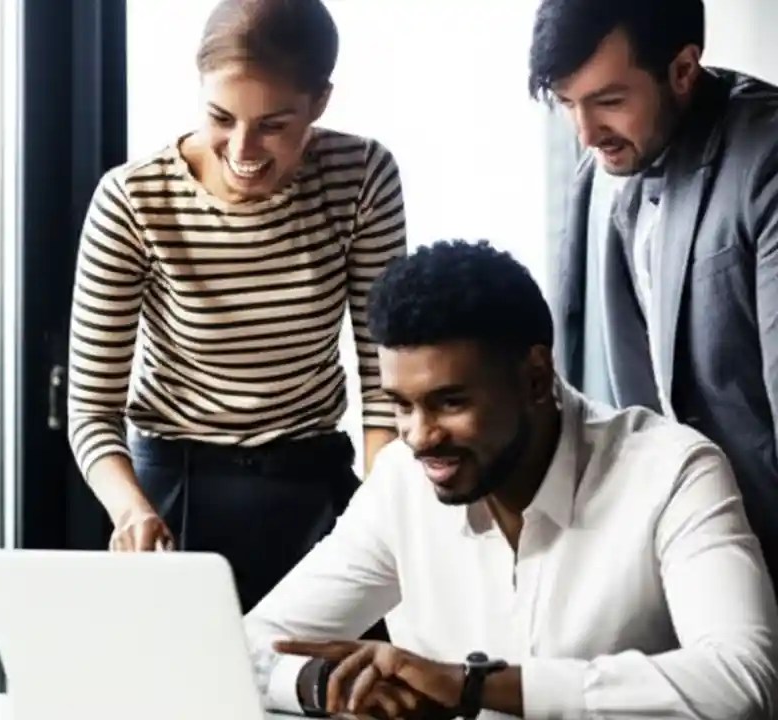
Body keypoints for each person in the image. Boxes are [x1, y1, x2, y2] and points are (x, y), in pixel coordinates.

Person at [244, 240, 778, 719]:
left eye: (450, 402)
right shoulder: (399, 485)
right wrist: (327, 684)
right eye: (401, 406)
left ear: (535, 378)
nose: (420, 436)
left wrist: (473, 687)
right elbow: (246, 646)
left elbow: (742, 681)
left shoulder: (672, 472)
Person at [67, 0, 406, 613]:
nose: (244, 148)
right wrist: (132, 511)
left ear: (319, 103)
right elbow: (92, 412)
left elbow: (384, 382)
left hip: (316, 486)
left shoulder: (361, 176)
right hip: (174, 493)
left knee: (346, 695)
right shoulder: (133, 199)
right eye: (221, 117)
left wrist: (382, 516)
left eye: (275, 124)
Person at [534, 0, 778, 584]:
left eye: (609, 101)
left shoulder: (767, 160)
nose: (586, 133)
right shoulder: (598, 168)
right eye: (567, 104)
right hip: (667, 542)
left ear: (683, 70)